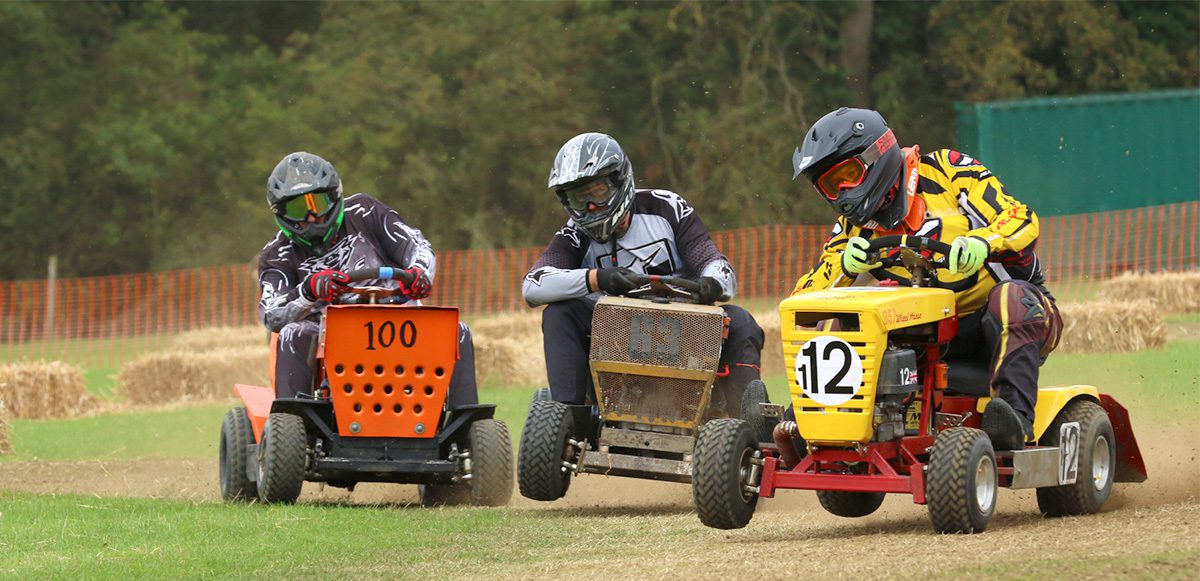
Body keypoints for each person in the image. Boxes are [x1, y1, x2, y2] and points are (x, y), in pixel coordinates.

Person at [789, 107, 1062, 450]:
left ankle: (1014, 421)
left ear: (878, 154)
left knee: (1010, 299)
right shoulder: (852, 229)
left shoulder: (948, 171)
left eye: (849, 175)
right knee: (844, 314)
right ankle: (810, 420)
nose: (842, 192)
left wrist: (985, 241)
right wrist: (843, 268)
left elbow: (1021, 218)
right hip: (923, 336)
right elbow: (803, 299)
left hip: (1008, 320)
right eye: (831, 185)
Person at [522, 132, 764, 411]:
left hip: (685, 326)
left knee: (741, 321)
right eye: (579, 198)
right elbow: (533, 285)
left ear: (620, 181)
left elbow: (718, 266)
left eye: (598, 193)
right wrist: (596, 279)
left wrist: (709, 284)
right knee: (559, 313)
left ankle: (745, 420)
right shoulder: (574, 234)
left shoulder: (667, 207)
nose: (590, 207)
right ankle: (570, 418)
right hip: (613, 332)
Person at [258, 151, 478, 406]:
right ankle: (296, 424)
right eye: (298, 208)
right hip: (324, 334)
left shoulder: (365, 211)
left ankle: (465, 424)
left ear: (334, 196)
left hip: (396, 318)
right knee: (292, 335)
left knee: (457, 332)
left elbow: (416, 244)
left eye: (318, 203)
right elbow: (271, 313)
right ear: (282, 213)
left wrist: (419, 271)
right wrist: (309, 291)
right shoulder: (277, 254)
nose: (311, 216)